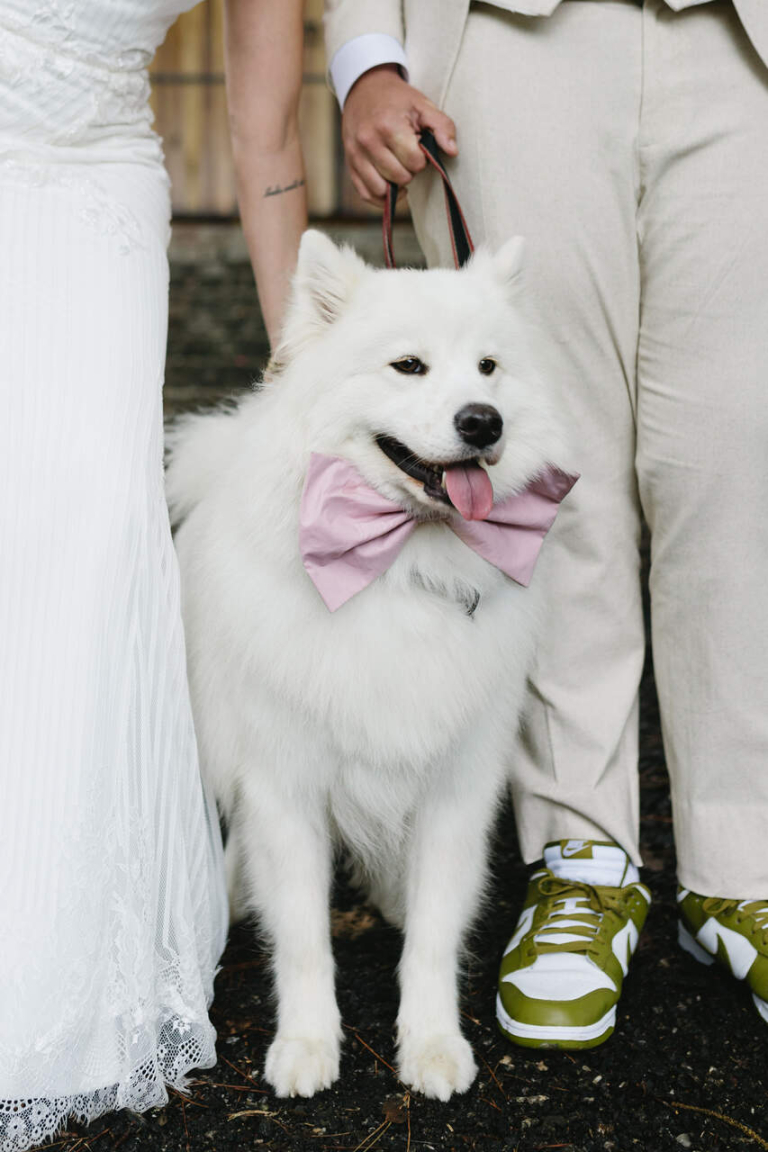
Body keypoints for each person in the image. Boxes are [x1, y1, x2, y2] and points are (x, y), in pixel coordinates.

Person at [325, 0, 768, 1049]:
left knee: (740, 458)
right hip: (513, 46)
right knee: (544, 468)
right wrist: (367, 59)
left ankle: (745, 862)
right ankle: (581, 852)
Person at [0, 2, 307, 1147]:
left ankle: (44, 946)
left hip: (90, 182)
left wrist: (302, 371)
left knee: (83, 520)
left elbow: (270, 132)